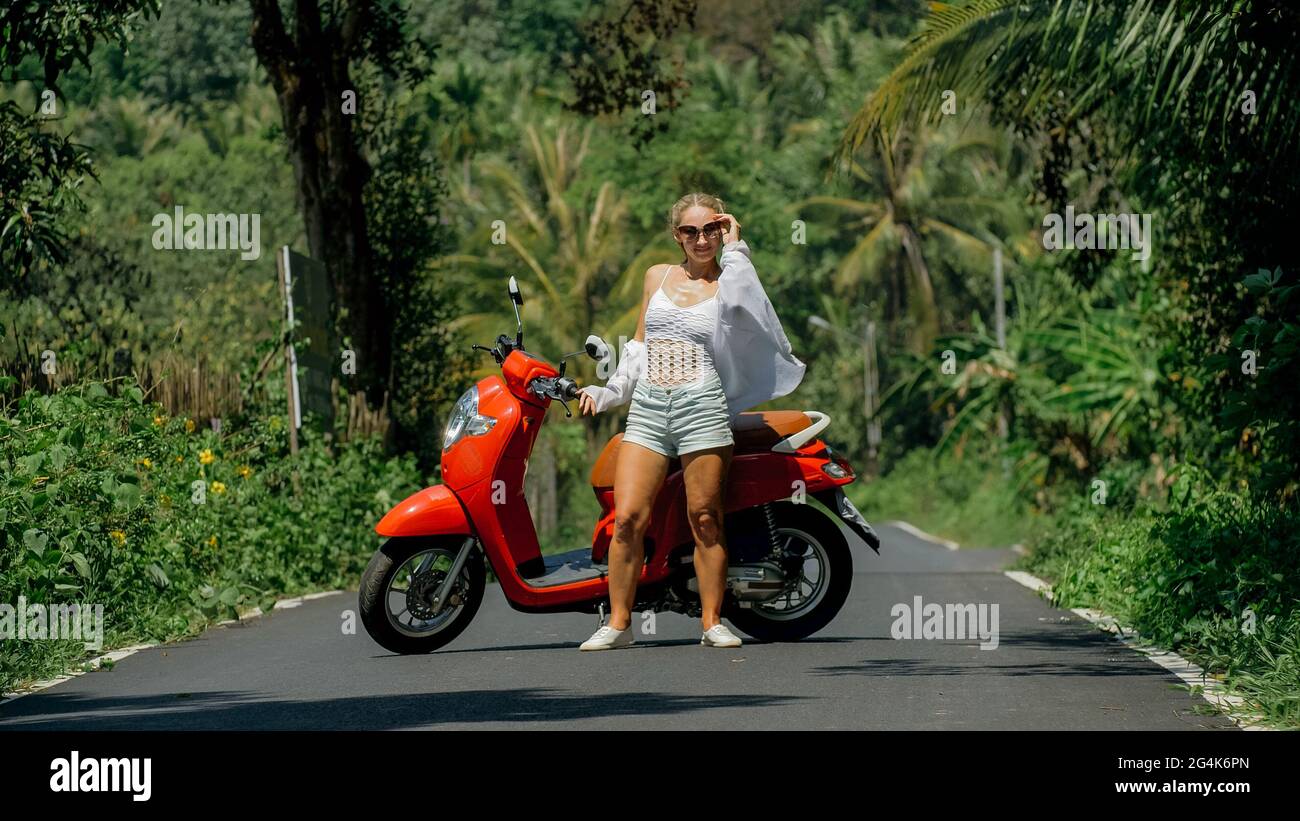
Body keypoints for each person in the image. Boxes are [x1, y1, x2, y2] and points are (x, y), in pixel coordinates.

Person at [576, 192, 806, 650]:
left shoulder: (730, 286)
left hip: (702, 407)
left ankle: (711, 622)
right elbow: (639, 345)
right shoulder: (656, 277)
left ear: (721, 231)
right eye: (690, 231)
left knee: (704, 518)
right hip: (649, 408)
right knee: (627, 520)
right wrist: (610, 392)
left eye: (711, 230)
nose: (701, 239)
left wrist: (737, 247)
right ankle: (618, 625)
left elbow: (748, 310)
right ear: (675, 235)